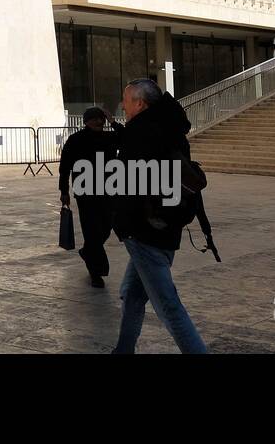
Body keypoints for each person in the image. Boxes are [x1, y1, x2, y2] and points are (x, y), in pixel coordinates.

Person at [109, 78, 208, 354]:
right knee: (132, 294)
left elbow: (129, 183)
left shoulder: (141, 132)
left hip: (145, 231)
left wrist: (120, 219)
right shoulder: (170, 128)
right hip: (165, 225)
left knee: (167, 306)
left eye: (126, 101)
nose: (123, 106)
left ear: (140, 103)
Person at [59, 106, 119, 287]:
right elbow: (65, 167)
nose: (99, 121)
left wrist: (113, 122)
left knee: (106, 227)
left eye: (101, 118)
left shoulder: (109, 137)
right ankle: (96, 273)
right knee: (92, 231)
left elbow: (128, 138)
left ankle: (87, 252)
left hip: (108, 190)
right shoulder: (76, 140)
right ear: (86, 121)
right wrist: (64, 191)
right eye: (94, 119)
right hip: (85, 192)